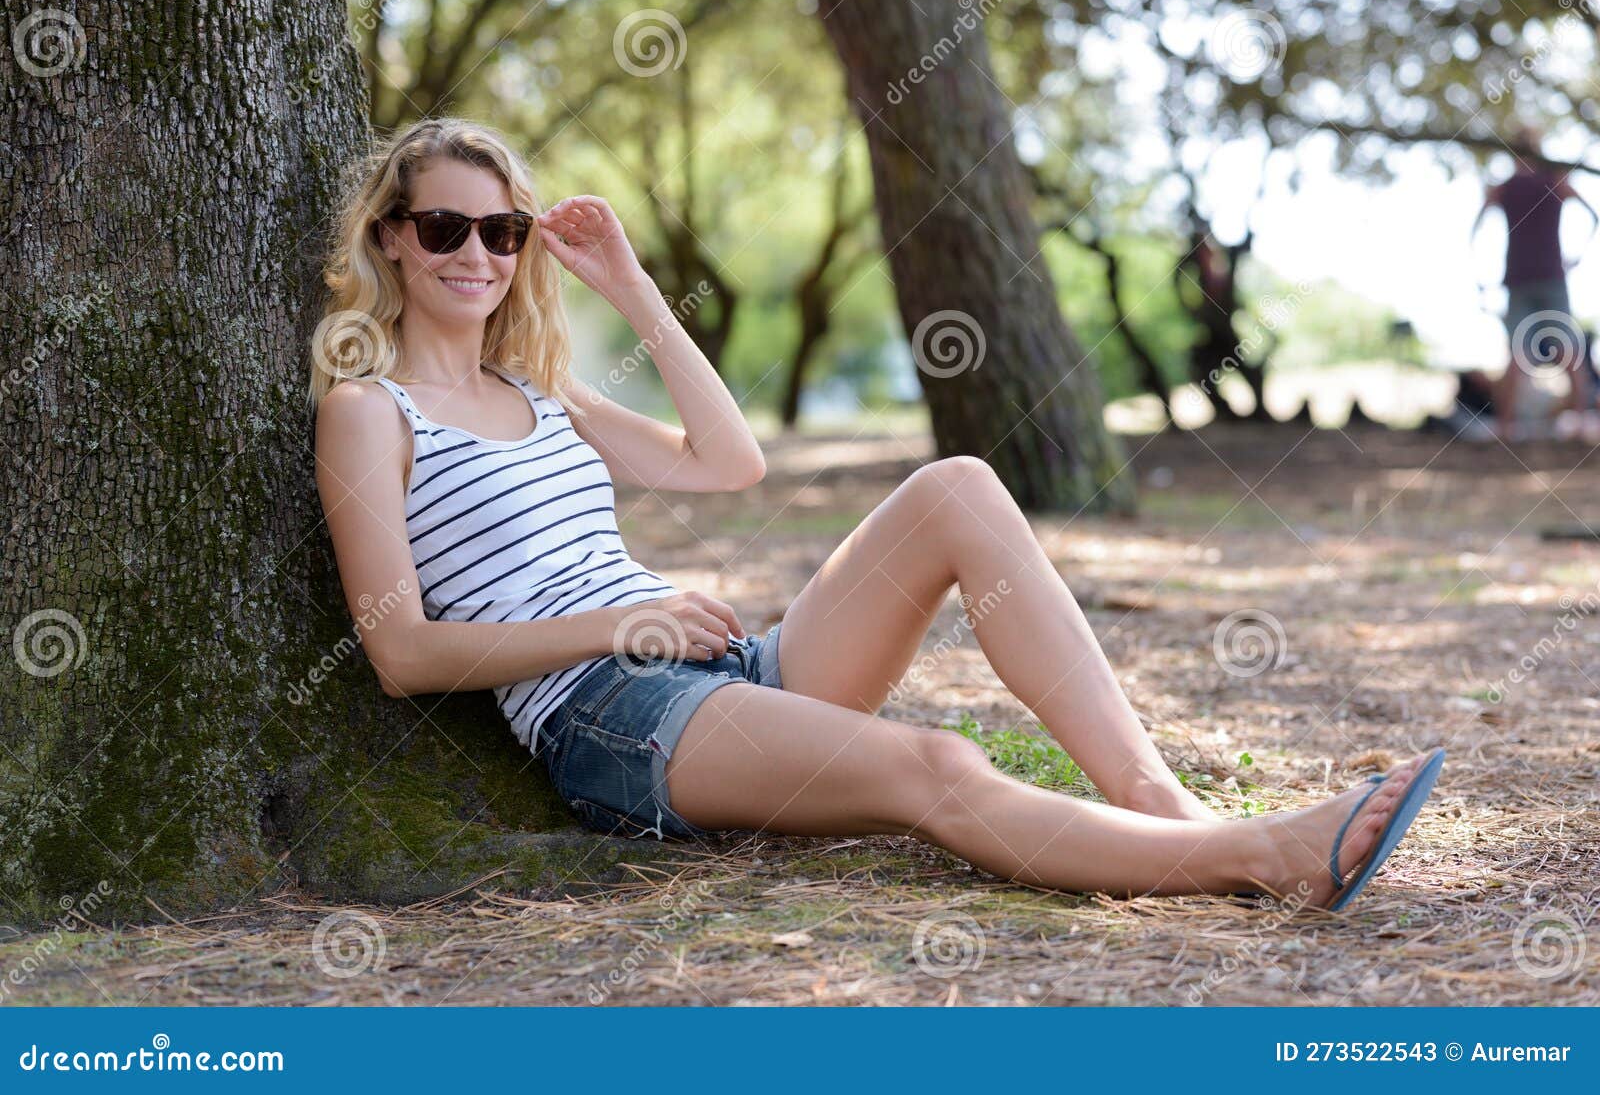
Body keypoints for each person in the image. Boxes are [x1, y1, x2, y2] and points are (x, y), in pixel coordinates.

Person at [310, 118, 1443, 911]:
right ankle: (1259, 858)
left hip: (724, 671)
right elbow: (401, 653)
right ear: (392, 238)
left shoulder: (539, 391)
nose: (477, 255)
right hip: (612, 713)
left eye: (502, 232)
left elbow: (729, 461)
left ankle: (1157, 800)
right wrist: (618, 628)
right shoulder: (371, 412)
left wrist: (632, 288)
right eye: (446, 229)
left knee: (956, 487)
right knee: (931, 766)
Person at [1471, 126, 1600, 440]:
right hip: (1551, 276)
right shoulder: (1556, 183)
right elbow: (1593, 216)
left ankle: (1505, 427)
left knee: (1518, 354)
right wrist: (1576, 257)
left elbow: (1475, 230)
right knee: (1568, 351)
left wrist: (1480, 278)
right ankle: (1581, 424)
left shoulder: (1503, 188)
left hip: (1517, 279)